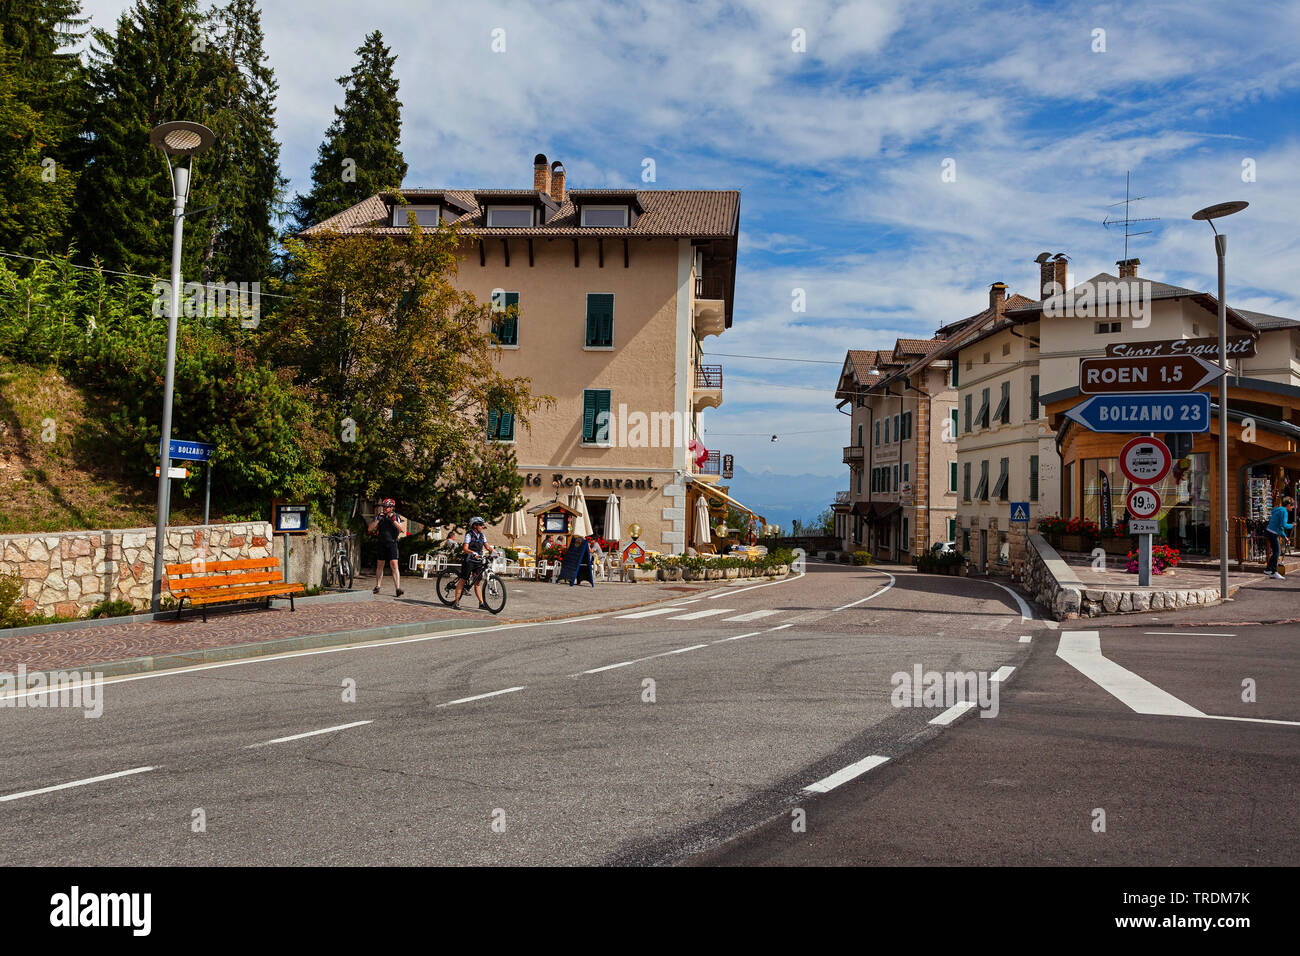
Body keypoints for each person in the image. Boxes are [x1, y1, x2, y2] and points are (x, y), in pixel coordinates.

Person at [453, 516, 496, 609]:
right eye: (480, 525)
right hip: (469, 560)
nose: (482, 526)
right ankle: (456, 602)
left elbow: (487, 547)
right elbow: (465, 548)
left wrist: (495, 552)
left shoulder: (482, 535)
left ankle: (481, 603)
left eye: (482, 525)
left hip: (478, 561)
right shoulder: (469, 534)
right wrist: (472, 553)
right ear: (475, 525)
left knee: (477, 582)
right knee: (463, 580)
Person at [368, 498, 406, 596]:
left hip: (392, 543)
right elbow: (370, 528)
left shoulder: (396, 516)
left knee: (394, 565)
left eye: (386, 507)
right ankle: (377, 586)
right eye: (384, 506)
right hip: (381, 543)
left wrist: (393, 521)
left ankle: (397, 588)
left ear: (391, 508)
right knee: (380, 565)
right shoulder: (379, 516)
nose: (384, 508)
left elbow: (402, 529)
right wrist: (378, 520)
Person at [1264, 495, 1294, 580]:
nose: (1293, 507)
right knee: (1277, 552)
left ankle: (1268, 569)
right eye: (1292, 505)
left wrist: (1285, 537)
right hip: (1273, 533)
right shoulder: (1284, 512)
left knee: (1276, 552)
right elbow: (1283, 525)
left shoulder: (1279, 510)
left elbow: (1280, 527)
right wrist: (1291, 525)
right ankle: (1274, 572)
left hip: (1270, 532)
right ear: (1288, 505)